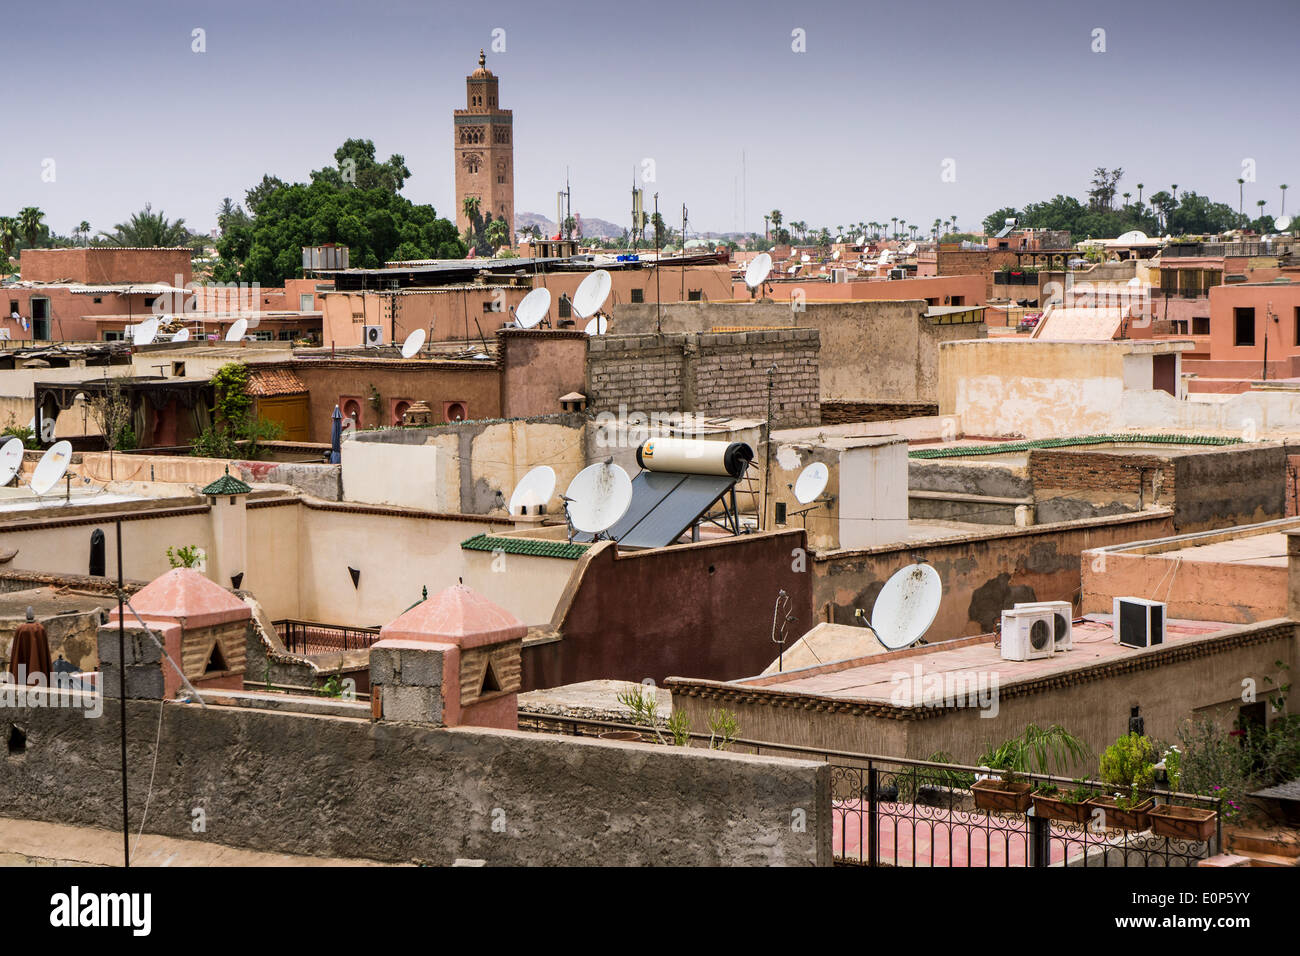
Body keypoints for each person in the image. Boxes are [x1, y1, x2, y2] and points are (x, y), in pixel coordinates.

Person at [8, 607, 52, 685]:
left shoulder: (21, 629)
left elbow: (17, 652)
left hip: (21, 666)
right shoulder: (40, 629)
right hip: (38, 671)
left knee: (21, 666)